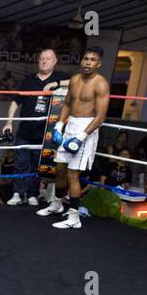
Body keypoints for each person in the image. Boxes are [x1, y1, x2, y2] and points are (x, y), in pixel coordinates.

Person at [36, 46, 110, 230]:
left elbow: (101, 116)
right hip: (70, 126)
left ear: (98, 64)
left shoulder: (101, 84)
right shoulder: (75, 79)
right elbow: (68, 104)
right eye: (86, 58)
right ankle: (57, 204)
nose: (87, 62)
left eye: (92, 60)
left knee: (72, 174)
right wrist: (60, 126)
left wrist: (81, 137)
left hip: (87, 130)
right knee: (59, 169)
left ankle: (74, 217)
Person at [4, 48, 68, 206]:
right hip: (24, 130)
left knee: (36, 165)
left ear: (55, 61)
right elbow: (15, 101)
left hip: (45, 133)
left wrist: (56, 84)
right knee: (20, 165)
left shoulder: (59, 77)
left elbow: (78, 81)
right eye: (42, 58)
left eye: (48, 58)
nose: (44, 61)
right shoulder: (28, 80)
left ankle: (33, 194)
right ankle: (17, 193)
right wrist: (9, 122)